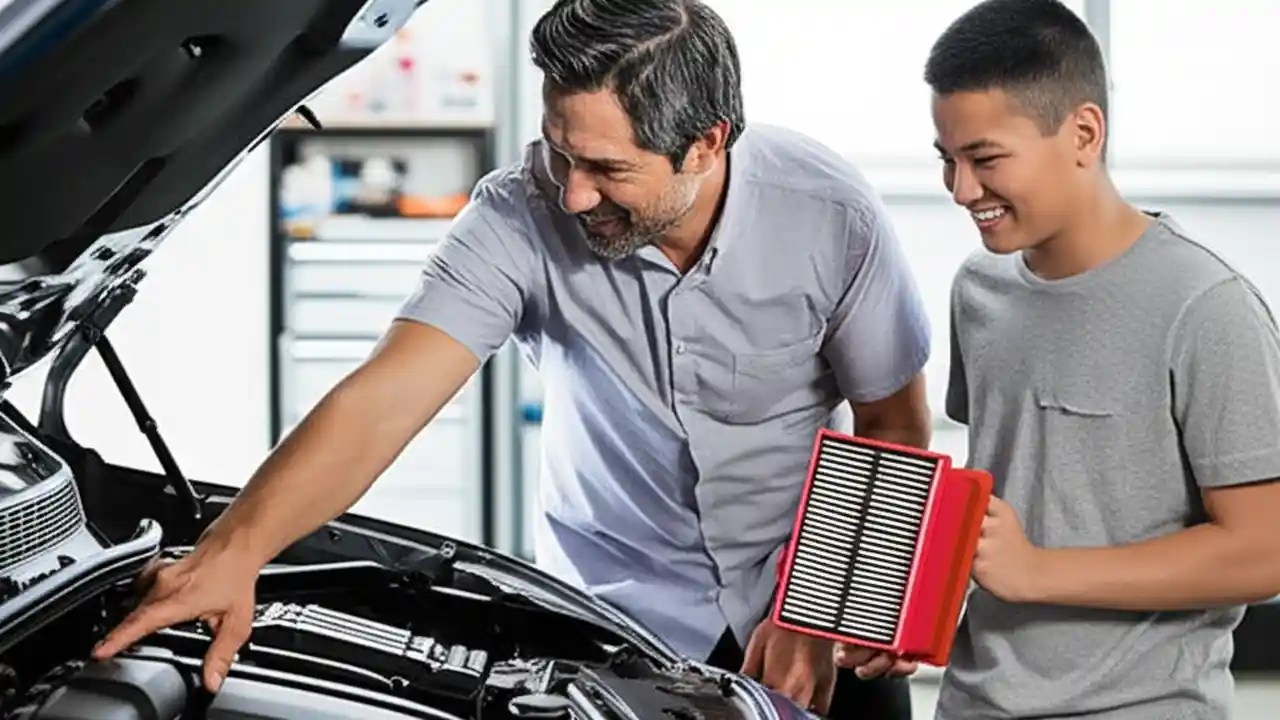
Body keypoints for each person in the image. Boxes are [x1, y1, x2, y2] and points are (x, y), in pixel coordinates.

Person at [93, 0, 932, 716]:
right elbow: (385, 397)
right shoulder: (517, 216)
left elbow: (892, 424)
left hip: (811, 608)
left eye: (607, 167)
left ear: (707, 145)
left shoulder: (826, 215)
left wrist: (819, 606)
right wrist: (233, 553)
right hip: (620, 630)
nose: (572, 193)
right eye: (560, 150)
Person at [897, 0, 1280, 717]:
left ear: (1083, 132)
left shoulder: (1207, 306)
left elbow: (1265, 552)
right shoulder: (978, 289)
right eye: (948, 160)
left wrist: (1040, 572)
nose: (961, 190)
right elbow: (1013, 500)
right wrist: (906, 619)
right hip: (971, 702)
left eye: (985, 158)